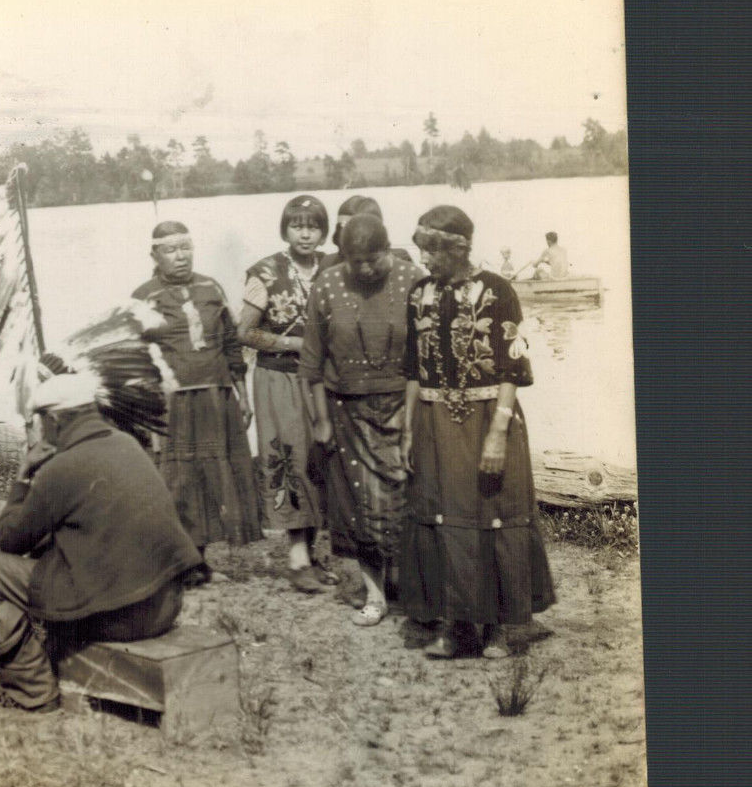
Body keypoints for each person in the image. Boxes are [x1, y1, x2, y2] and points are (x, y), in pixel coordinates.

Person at [0, 370, 206, 711]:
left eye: (41, 421)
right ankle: (51, 657)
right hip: (166, 605)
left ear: (55, 420)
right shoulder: (126, 443)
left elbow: (10, 540)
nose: (41, 430)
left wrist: (22, 475)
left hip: (122, 618)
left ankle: (33, 690)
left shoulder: (62, 466)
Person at [400, 205, 557, 658]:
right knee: (446, 517)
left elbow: (513, 367)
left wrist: (497, 434)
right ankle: (461, 626)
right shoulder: (418, 294)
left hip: (491, 417)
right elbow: (413, 368)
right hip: (434, 421)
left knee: (495, 514)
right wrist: (409, 429)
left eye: (431, 250)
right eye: (421, 250)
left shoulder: (498, 291)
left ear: (457, 247)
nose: (425, 260)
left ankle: (506, 628)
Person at [301, 213, 424, 625]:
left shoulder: (414, 280)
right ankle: (375, 593)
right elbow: (312, 364)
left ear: (389, 250)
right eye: (357, 262)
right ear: (344, 257)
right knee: (360, 506)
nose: (367, 268)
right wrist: (320, 421)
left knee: (408, 499)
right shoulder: (327, 284)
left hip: (406, 407)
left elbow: (426, 355)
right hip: (346, 413)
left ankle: (410, 586)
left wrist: (414, 418)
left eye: (375, 259)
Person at [132, 220, 264, 561]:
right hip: (174, 401)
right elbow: (134, 353)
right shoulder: (143, 297)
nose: (181, 256)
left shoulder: (211, 288)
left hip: (217, 396)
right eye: (171, 250)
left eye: (186, 248)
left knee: (213, 475)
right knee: (180, 479)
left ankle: (204, 556)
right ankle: (184, 559)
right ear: (155, 254)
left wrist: (243, 394)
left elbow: (233, 345)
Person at [237, 196, 334, 592]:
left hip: (322, 382)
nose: (306, 233)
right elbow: (244, 332)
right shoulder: (265, 272)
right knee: (290, 459)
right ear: (285, 230)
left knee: (318, 460)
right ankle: (296, 560)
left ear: (323, 230)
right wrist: (295, 345)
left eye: (313, 225)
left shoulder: (332, 267)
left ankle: (310, 555)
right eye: (297, 225)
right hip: (279, 377)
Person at [322, 195, 414, 269]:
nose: (343, 235)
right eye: (340, 228)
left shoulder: (399, 260)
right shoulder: (329, 263)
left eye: (351, 229)